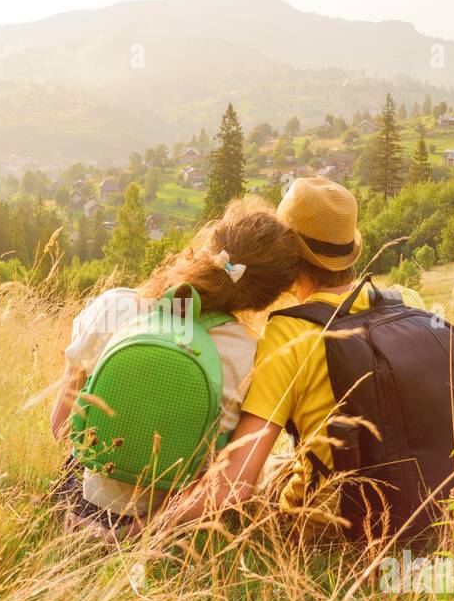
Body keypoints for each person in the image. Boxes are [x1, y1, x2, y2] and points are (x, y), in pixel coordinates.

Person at [158, 177, 427, 535]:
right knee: (279, 465)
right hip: (437, 498)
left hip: (340, 522)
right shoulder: (405, 300)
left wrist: (139, 530)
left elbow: (234, 486)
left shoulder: (289, 332)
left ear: (289, 253)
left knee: (269, 472)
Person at [49, 196, 303, 536]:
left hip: (85, 505)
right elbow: (231, 483)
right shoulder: (253, 355)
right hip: (185, 524)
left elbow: (62, 427)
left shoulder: (111, 307)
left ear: (208, 246)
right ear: (266, 298)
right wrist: (138, 531)